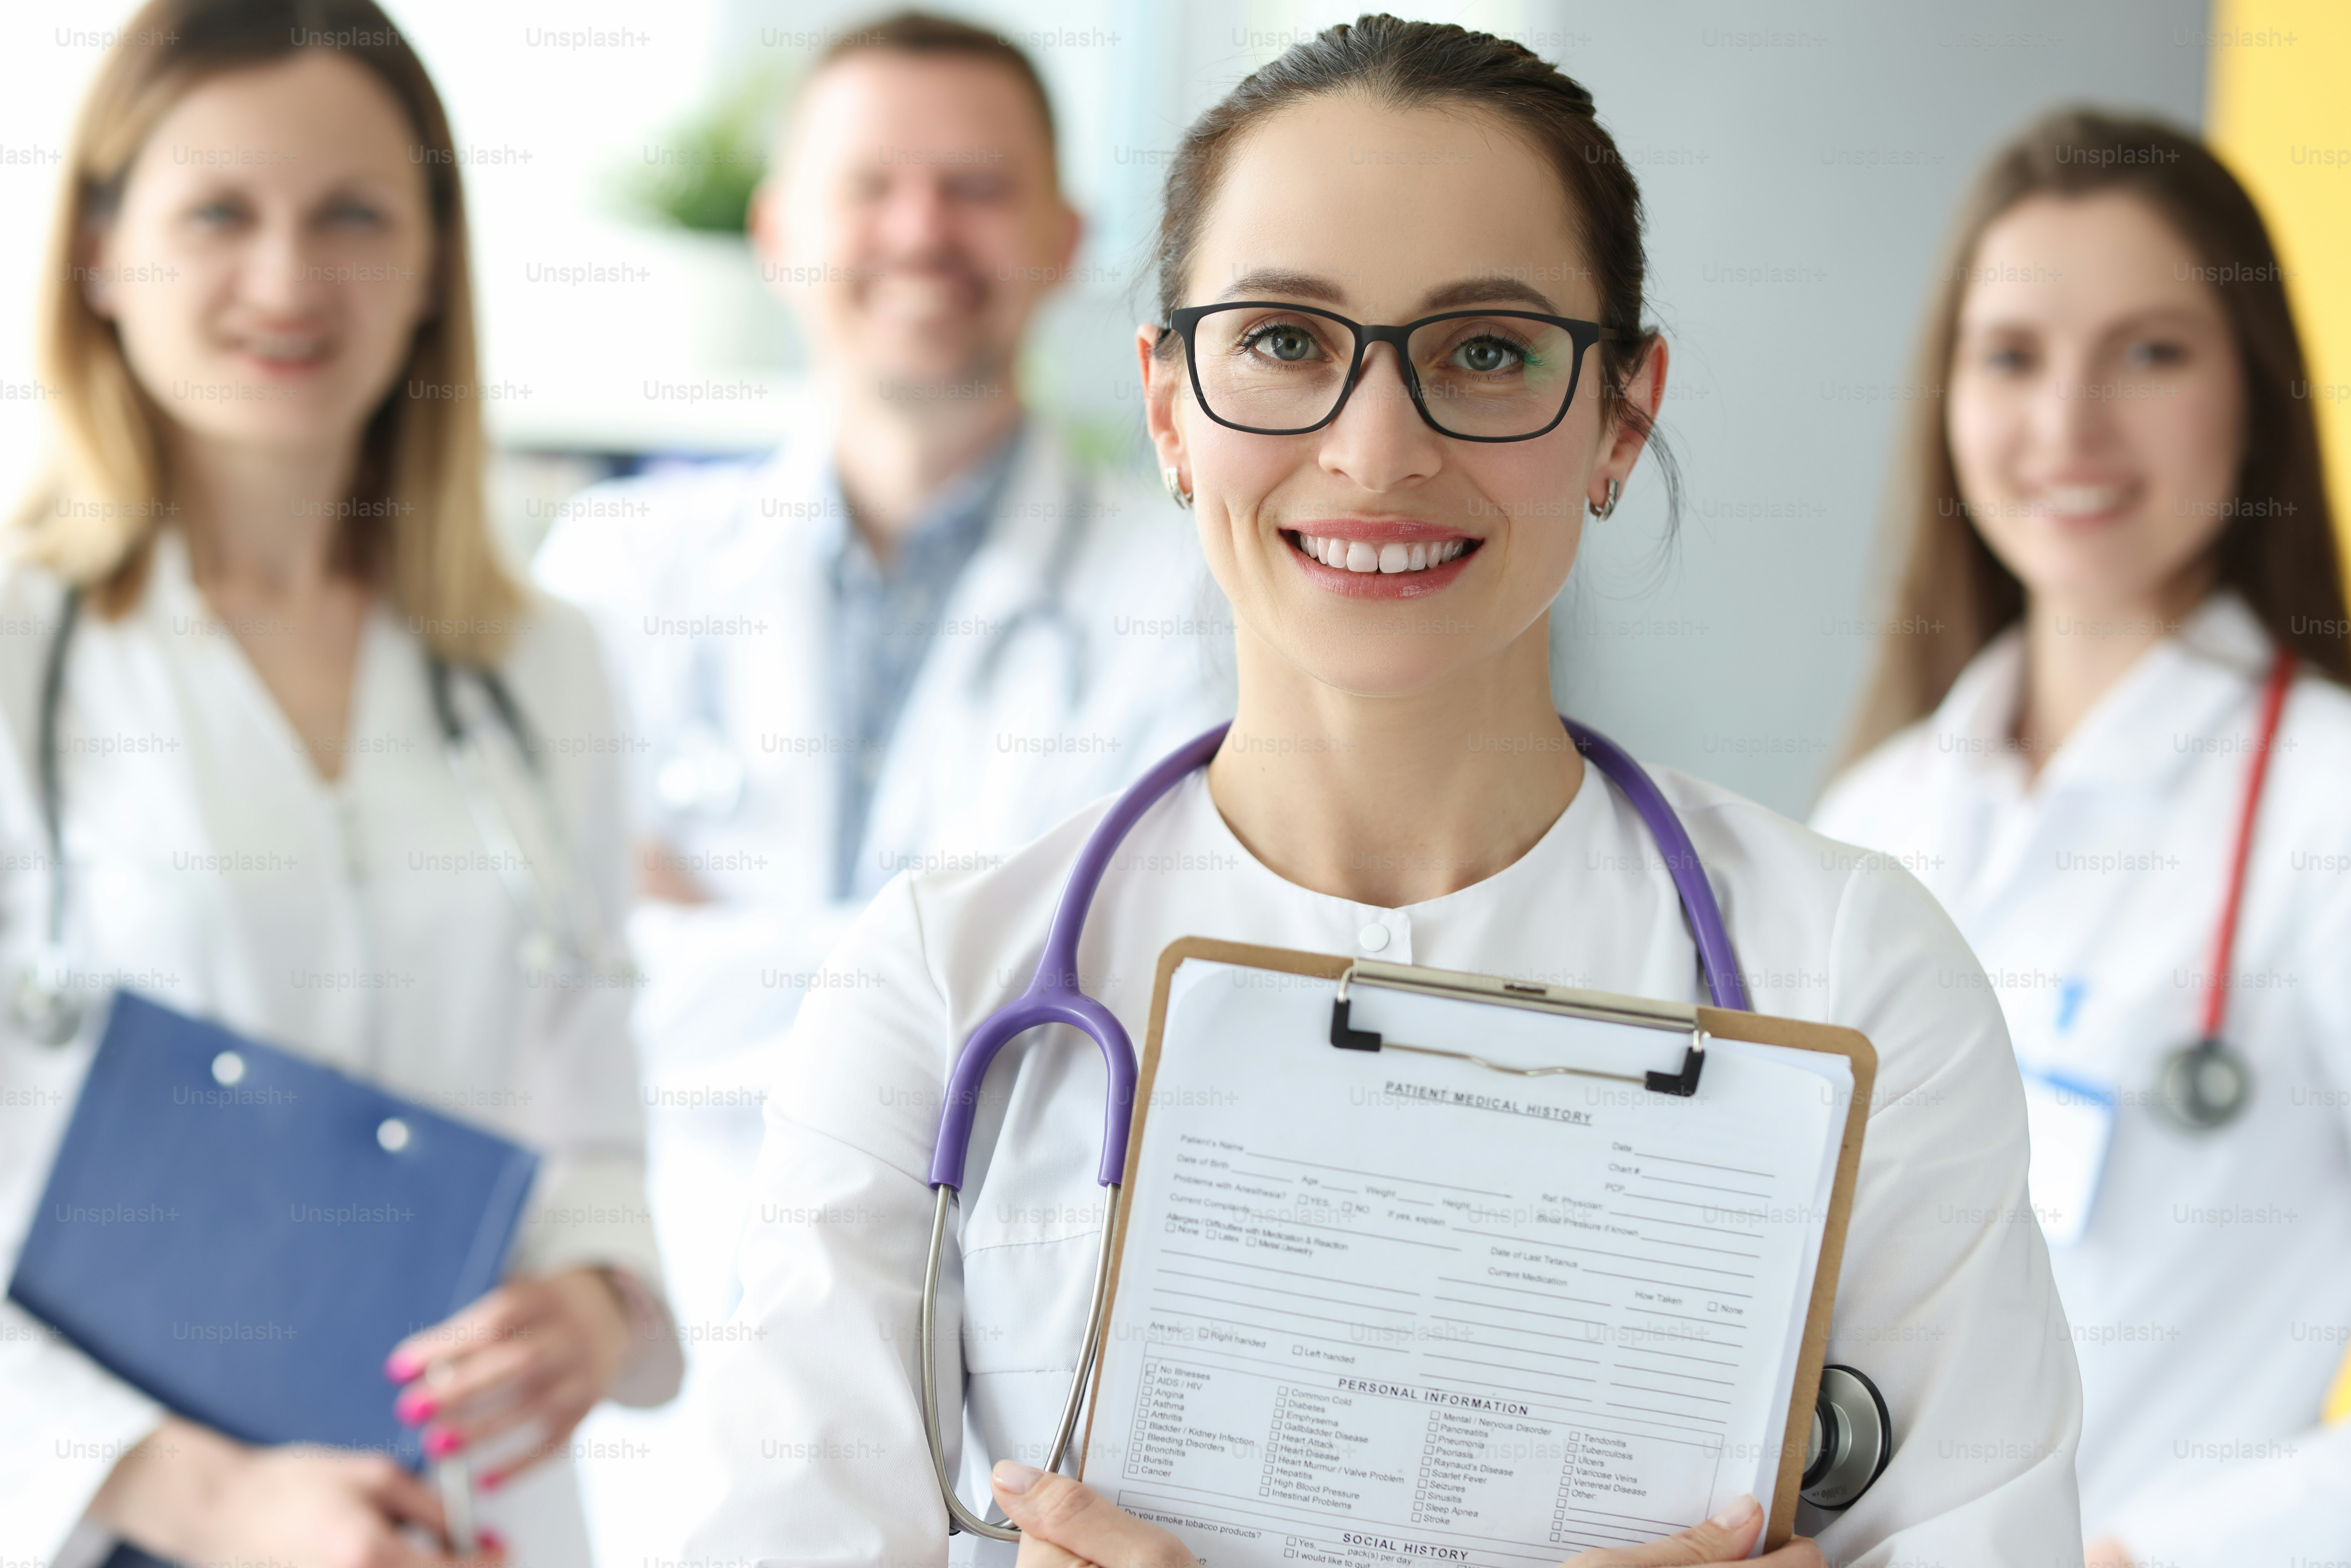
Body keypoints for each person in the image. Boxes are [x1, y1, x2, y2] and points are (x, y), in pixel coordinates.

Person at [690, 17, 2083, 1565]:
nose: (1377, 448)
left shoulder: (1857, 975)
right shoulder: (938, 987)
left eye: (1485, 351)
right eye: (1285, 340)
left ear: (1622, 412)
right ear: (1167, 407)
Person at [0, 4, 681, 1565]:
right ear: (102, 250)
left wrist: (594, 1297)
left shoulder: (536, 665)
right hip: (112, 1519)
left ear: (436, 259)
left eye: (355, 214)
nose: (290, 281)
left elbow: (589, 1102)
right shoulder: (17, 649)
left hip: (463, 1511)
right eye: (220, 213)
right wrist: (214, 1496)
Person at [1813, 108, 2351, 1568]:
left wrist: (2153, 1554)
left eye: (2149, 351)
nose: (2066, 426)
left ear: (2253, 388)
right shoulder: (1872, 818)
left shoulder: (2325, 804)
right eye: (2011, 358)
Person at [532, 9, 1231, 1066]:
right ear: (777, 240)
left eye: (979, 188)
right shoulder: (618, 562)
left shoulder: (1189, 595)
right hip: (656, 1222)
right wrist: (967, 969)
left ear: (1064, 243)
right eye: (870, 187)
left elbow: (1137, 992)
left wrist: (701, 946)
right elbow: (547, 971)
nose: (920, 231)